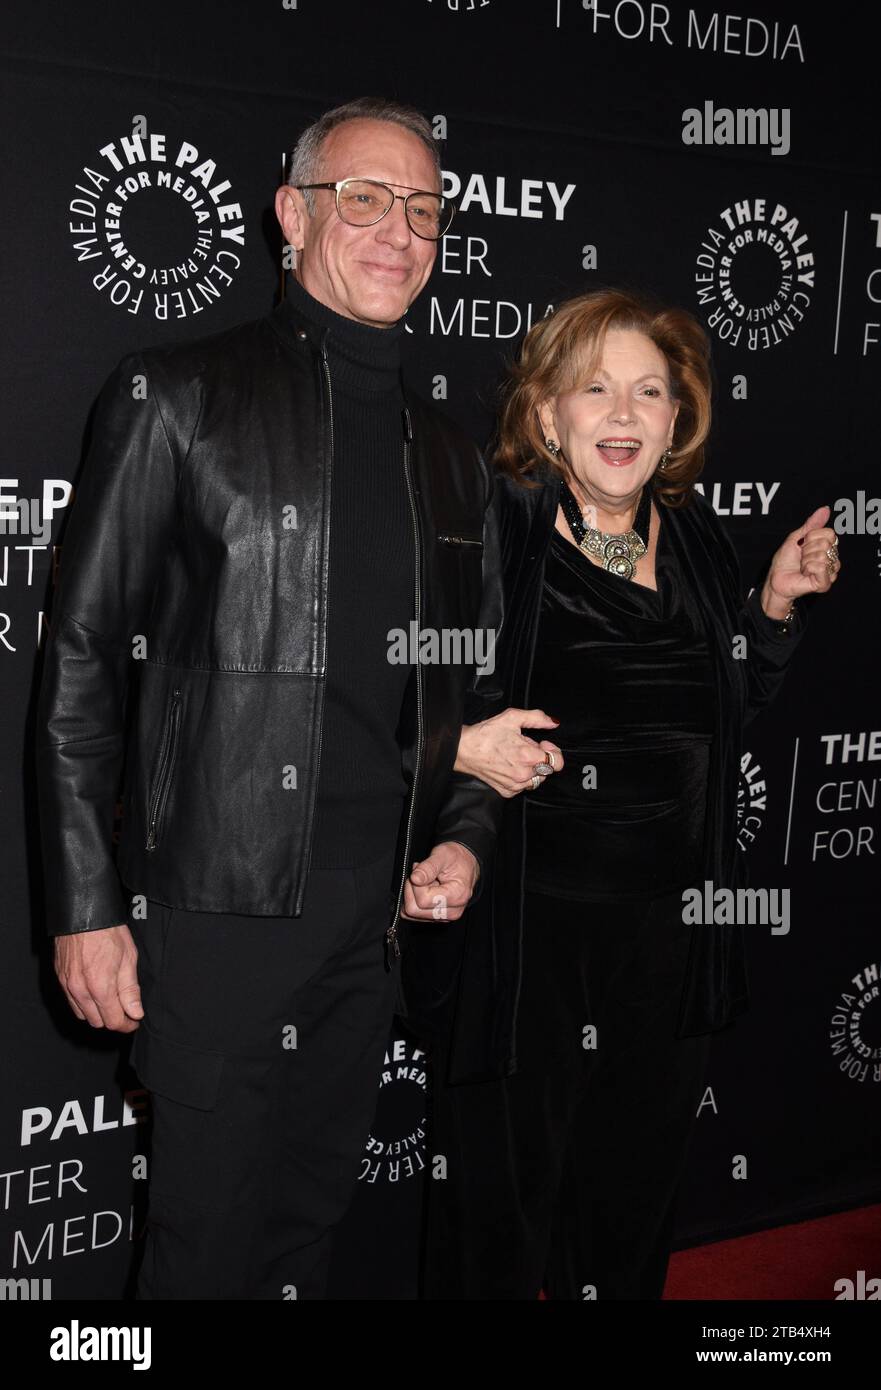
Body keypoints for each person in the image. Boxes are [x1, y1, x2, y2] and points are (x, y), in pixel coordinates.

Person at [35, 96, 504, 1300]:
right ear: (292, 214)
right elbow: (82, 654)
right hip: (219, 910)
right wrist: (87, 901)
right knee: (202, 1251)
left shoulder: (452, 452)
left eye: (421, 207)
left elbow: (471, 683)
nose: (397, 229)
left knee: (306, 1233)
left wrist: (460, 831)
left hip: (374, 917)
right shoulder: (176, 395)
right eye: (363, 197)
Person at [420, 288, 841, 1300]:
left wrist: (772, 606)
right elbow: (439, 702)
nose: (621, 412)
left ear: (676, 416)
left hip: (668, 935)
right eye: (593, 388)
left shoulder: (690, 537)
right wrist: (452, 790)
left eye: (647, 391)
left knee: (628, 1207)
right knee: (501, 1214)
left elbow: (719, 703)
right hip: (531, 936)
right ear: (544, 415)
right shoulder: (500, 529)